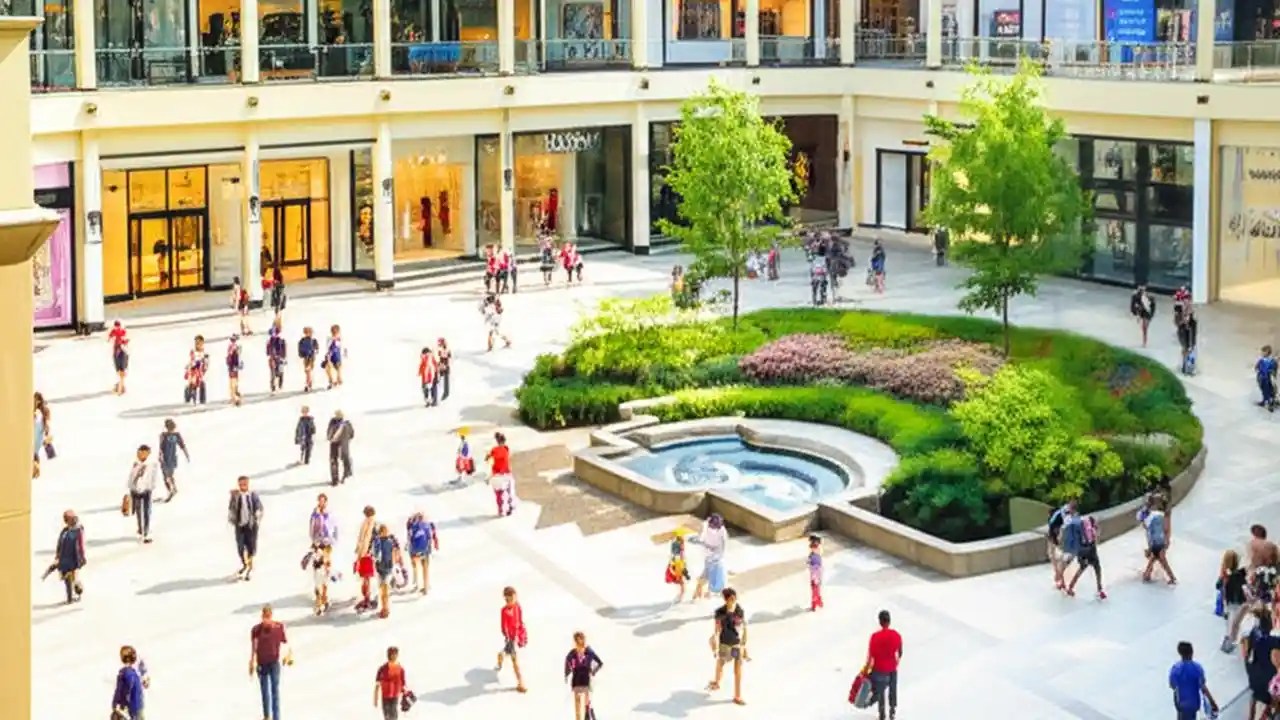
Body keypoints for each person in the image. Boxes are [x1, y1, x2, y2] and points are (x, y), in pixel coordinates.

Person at [250, 604, 292, 720]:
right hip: (261, 663)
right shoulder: (256, 630)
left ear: (271, 615)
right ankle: (267, 716)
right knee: (265, 691)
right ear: (262, 616)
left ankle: (276, 718)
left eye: (268, 616)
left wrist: (288, 655)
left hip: (274, 663)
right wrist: (251, 662)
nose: (266, 619)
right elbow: (254, 646)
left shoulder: (278, 627)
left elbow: (286, 642)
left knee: (275, 691)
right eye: (264, 616)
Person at [707, 587, 747, 705]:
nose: (734, 600)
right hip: (724, 644)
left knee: (738, 669)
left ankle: (737, 696)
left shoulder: (739, 611)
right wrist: (714, 639)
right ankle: (717, 682)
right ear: (726, 599)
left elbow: (742, 627)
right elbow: (717, 628)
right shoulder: (720, 613)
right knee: (720, 663)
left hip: (736, 645)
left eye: (735, 597)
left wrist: (744, 646)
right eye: (731, 598)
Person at [865, 609, 903, 720]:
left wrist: (866, 670)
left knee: (881, 691)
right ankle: (892, 711)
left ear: (880, 622)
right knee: (892, 689)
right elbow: (900, 652)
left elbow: (870, 657)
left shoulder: (874, 637)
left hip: (878, 669)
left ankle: (882, 713)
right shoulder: (896, 635)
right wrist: (895, 662)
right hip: (892, 668)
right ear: (889, 621)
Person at [1242, 609, 1279, 720]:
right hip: (1269, 686)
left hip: (1256, 682)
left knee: (1254, 696)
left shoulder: (1256, 638)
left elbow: (1249, 659)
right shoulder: (1274, 641)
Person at [1169, 641, 1217, 720]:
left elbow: (1172, 685)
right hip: (1194, 703)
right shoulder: (1197, 668)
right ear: (1192, 652)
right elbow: (1203, 687)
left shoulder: (1175, 669)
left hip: (1181, 703)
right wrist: (1212, 702)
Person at [228, 476, 263, 581]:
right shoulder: (236, 496)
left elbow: (259, 506)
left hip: (251, 525)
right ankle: (245, 564)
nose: (243, 486)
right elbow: (231, 508)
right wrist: (231, 518)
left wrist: (257, 514)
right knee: (240, 546)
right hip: (240, 525)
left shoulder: (252, 495)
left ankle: (250, 567)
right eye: (241, 484)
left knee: (251, 547)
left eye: (244, 484)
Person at [309, 493, 337, 614]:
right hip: (317, 543)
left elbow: (334, 528)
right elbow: (311, 528)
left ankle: (324, 596)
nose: (321, 503)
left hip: (327, 544)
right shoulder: (315, 514)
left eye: (323, 501)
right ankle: (319, 598)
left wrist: (333, 540)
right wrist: (314, 541)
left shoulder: (329, 514)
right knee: (317, 568)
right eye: (320, 501)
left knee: (326, 568)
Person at [564, 632, 603, 720]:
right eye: (577, 641)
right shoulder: (574, 653)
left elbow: (600, 663)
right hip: (578, 681)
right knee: (581, 707)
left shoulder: (588, 652)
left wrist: (593, 671)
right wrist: (568, 672)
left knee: (586, 706)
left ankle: (588, 716)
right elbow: (567, 663)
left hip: (584, 681)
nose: (578, 644)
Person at [496, 586, 528, 693]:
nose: (515, 599)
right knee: (515, 661)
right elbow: (503, 626)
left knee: (507, 653)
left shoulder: (518, 606)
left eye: (515, 597)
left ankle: (501, 656)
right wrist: (509, 637)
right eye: (512, 598)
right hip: (511, 638)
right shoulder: (504, 611)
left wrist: (521, 634)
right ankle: (521, 683)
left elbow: (520, 620)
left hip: (517, 636)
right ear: (507, 599)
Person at [1066, 515, 1106, 600]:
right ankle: (1099, 589)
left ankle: (1070, 587)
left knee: (1082, 568)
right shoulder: (1091, 523)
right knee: (1097, 568)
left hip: (1082, 551)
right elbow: (1096, 535)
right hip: (1090, 549)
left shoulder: (1079, 526)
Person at [1140, 493, 1176, 585]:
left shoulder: (1163, 515)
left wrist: (1167, 539)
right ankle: (1148, 574)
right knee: (1159, 559)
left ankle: (1148, 575)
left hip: (1159, 541)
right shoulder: (1152, 514)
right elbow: (1146, 525)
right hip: (1155, 541)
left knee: (1160, 558)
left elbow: (1167, 528)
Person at [50, 510, 85, 604]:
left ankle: (76, 593)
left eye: (67, 519)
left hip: (73, 559)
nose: (66, 521)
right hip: (65, 559)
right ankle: (70, 597)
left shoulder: (78, 530)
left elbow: (80, 546)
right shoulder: (65, 531)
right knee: (67, 579)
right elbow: (60, 544)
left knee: (72, 579)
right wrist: (57, 556)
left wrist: (81, 557)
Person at [127, 444, 160, 544]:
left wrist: (151, 487)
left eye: (143, 453)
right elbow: (131, 477)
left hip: (146, 490)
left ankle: (145, 533)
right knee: (138, 512)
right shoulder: (136, 463)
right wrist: (131, 489)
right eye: (139, 453)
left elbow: (153, 477)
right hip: (136, 490)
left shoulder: (152, 464)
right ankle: (141, 529)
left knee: (146, 512)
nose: (140, 455)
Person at [693, 514, 729, 600]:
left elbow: (723, 547)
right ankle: (697, 596)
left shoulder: (722, 531)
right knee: (704, 578)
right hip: (710, 559)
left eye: (714, 527)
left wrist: (718, 555)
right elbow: (701, 538)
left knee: (709, 578)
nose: (713, 528)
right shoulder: (707, 527)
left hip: (715, 560)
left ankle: (699, 595)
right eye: (712, 526)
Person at [1220, 549, 1250, 652]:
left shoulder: (1226, 575)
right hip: (1239, 601)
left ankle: (1229, 642)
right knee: (1236, 623)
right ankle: (1231, 642)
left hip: (1230, 602)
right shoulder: (1240, 575)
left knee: (1230, 623)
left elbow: (1223, 590)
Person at [371, 524, 402, 619]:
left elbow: (374, 556)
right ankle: (385, 608)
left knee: (383, 589)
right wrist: (393, 566)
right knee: (385, 590)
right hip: (388, 568)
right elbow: (394, 555)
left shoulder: (377, 542)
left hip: (380, 568)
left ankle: (385, 609)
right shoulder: (390, 542)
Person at [406, 511, 439, 595]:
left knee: (415, 566)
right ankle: (426, 587)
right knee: (425, 568)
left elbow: (409, 538)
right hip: (425, 550)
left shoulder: (412, 526)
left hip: (414, 551)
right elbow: (430, 538)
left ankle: (416, 584)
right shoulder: (427, 525)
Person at [111, 646, 148, 720]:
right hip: (138, 706)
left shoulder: (124, 674)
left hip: (129, 708)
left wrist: (117, 704)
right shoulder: (135, 673)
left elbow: (121, 691)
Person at [157, 419, 189, 502]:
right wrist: (186, 455)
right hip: (171, 458)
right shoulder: (176, 435)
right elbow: (182, 446)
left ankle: (171, 490)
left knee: (166, 476)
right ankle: (173, 488)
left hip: (167, 458)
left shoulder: (164, 435)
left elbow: (160, 447)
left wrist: (160, 455)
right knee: (170, 475)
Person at [374, 647, 410, 720]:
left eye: (394, 654)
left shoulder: (400, 669)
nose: (392, 656)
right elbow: (377, 684)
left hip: (395, 696)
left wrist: (405, 695)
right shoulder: (382, 669)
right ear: (388, 655)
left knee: (393, 715)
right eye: (391, 654)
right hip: (385, 696)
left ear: (397, 655)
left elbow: (403, 684)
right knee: (387, 715)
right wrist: (375, 698)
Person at [486, 432, 516, 517]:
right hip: (506, 473)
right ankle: (510, 506)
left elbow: (487, 458)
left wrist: (489, 458)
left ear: (496, 441)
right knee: (509, 490)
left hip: (496, 474)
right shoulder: (506, 449)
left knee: (498, 493)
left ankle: (501, 509)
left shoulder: (494, 450)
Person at [355, 506, 378, 612]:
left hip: (366, 554)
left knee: (365, 578)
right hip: (370, 554)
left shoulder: (367, 524)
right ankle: (367, 598)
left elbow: (365, 540)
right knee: (366, 578)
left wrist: (360, 555)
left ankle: (367, 599)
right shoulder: (373, 524)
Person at [327, 410, 354, 486]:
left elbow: (329, 433)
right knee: (345, 458)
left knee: (333, 460)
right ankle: (346, 475)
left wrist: (331, 438)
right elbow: (352, 434)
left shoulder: (332, 423)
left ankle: (335, 480)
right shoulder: (347, 424)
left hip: (334, 444)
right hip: (344, 444)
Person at [665, 527, 691, 602]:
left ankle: (680, 596)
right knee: (681, 582)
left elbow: (675, 555)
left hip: (676, 561)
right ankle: (681, 596)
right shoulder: (680, 546)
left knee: (680, 582)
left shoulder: (675, 544)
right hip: (678, 562)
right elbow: (680, 557)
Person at [184, 335, 209, 405]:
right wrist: (190, 364)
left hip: (199, 369)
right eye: (197, 343)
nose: (198, 345)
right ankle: (189, 392)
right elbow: (191, 360)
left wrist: (205, 363)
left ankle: (202, 398)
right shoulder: (193, 352)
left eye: (200, 343)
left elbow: (205, 362)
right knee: (191, 380)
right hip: (193, 369)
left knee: (201, 382)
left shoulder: (204, 353)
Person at [33, 392, 52, 479]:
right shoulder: (40, 412)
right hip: (37, 437)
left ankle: (35, 469)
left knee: (34, 453)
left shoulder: (38, 413)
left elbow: (46, 426)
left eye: (36, 400)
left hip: (37, 437)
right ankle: (35, 469)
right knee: (35, 453)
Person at [108, 319, 129, 395]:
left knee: (121, 371)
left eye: (118, 326)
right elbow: (110, 338)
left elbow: (126, 340)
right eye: (116, 326)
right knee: (120, 371)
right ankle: (121, 385)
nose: (117, 327)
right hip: (118, 351)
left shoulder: (122, 331)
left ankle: (120, 387)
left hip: (121, 351)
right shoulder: (116, 331)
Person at [297, 326, 320, 392]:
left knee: (308, 370)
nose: (308, 334)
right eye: (306, 332)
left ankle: (307, 384)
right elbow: (299, 349)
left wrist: (315, 351)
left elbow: (317, 348)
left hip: (311, 358)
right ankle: (309, 384)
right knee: (307, 371)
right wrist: (301, 354)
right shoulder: (302, 340)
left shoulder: (313, 340)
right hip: (305, 358)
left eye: (309, 332)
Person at [267, 322, 287, 393]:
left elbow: (284, 349)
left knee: (280, 372)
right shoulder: (270, 341)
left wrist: (283, 357)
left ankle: (279, 385)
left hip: (279, 358)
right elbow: (268, 351)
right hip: (273, 358)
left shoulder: (281, 340)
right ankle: (273, 388)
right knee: (273, 373)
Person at [1257, 345, 1278, 413]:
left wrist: (1272, 373)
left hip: (1269, 378)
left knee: (1270, 390)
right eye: (1262, 352)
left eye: (1264, 352)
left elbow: (1274, 368)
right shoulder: (1261, 360)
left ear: (1268, 352)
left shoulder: (1272, 360)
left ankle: (1271, 403)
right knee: (1263, 389)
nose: (1262, 353)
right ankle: (1264, 401)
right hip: (1262, 377)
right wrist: (1258, 370)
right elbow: (1258, 366)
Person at [323, 324, 344, 388]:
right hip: (330, 357)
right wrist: (333, 339)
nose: (334, 333)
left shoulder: (340, 339)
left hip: (337, 357)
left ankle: (338, 379)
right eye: (333, 332)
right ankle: (331, 381)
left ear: (338, 332)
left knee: (338, 370)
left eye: (336, 332)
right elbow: (328, 347)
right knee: (327, 368)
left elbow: (342, 348)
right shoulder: (329, 338)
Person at [226, 334, 244, 406]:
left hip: (232, 367)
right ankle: (235, 397)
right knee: (234, 383)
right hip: (234, 367)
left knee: (233, 383)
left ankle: (234, 397)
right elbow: (237, 358)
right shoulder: (235, 347)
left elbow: (230, 358)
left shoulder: (231, 347)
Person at [808, 534, 824, 611]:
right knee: (816, 590)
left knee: (815, 590)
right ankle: (818, 602)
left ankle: (815, 604)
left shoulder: (815, 556)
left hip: (815, 575)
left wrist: (815, 578)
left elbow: (816, 568)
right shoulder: (814, 555)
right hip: (815, 574)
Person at [435, 338, 451, 402]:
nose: (438, 345)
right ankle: (443, 393)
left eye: (439, 344)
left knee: (444, 380)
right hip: (442, 365)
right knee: (441, 380)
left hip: (444, 366)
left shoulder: (445, 350)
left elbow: (447, 358)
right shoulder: (442, 350)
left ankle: (445, 393)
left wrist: (444, 365)